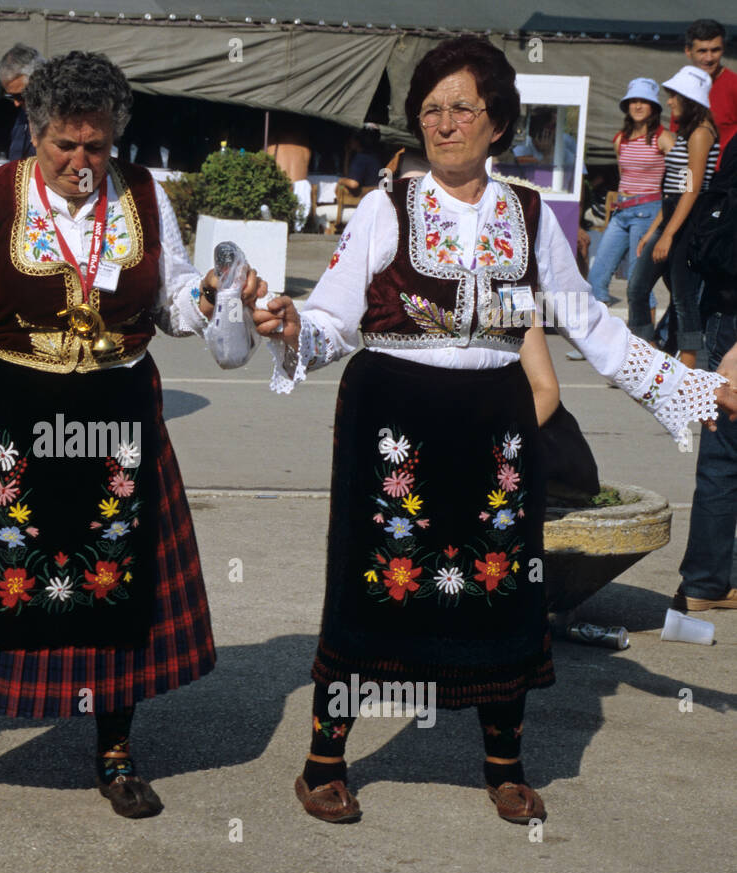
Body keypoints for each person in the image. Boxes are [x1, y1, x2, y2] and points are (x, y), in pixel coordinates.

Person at [250, 36, 737, 826]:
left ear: (497, 122)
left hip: (495, 426)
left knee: (500, 585)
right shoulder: (388, 205)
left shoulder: (530, 213)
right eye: (431, 109)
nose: (443, 123)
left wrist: (694, 385)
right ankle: (324, 760)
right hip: (393, 420)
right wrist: (289, 324)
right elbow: (335, 319)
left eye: (461, 108)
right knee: (375, 583)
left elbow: (591, 326)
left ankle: (504, 762)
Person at [0, 51, 265, 822]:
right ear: (35, 131)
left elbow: (174, 302)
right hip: (15, 404)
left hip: (118, 405)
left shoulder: (145, 195)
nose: (82, 162)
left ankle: (114, 749)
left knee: (115, 574)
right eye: (64, 146)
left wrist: (210, 295)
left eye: (97, 146)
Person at [675, 139, 737, 611]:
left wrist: (692, 341)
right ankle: (708, 583)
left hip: (721, 313)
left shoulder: (732, 145)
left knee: (721, 459)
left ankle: (704, 584)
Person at [627, 66, 720, 368]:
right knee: (637, 288)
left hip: (687, 223)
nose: (669, 102)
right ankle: (648, 353)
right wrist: (654, 229)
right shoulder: (687, 132)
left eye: (673, 96)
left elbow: (691, 190)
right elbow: (675, 187)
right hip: (670, 216)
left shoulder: (702, 133)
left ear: (689, 98)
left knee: (682, 298)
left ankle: (690, 367)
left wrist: (667, 234)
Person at [587, 78, 672, 305]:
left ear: (653, 106)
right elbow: (623, 175)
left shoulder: (663, 139)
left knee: (638, 281)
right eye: (633, 101)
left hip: (648, 211)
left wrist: (669, 208)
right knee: (596, 278)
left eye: (643, 101)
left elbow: (681, 177)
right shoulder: (620, 139)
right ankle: (601, 334)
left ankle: (646, 337)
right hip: (621, 210)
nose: (637, 106)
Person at [682, 19, 736, 156]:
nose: (709, 58)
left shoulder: (734, 85)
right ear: (688, 52)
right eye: (702, 51)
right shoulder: (682, 88)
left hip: (727, 173)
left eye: (715, 50)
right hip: (689, 171)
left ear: (723, 49)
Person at [0, 44, 43, 161]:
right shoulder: (23, 115)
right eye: (11, 97)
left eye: (20, 96)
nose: (16, 103)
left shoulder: (59, 120)